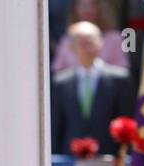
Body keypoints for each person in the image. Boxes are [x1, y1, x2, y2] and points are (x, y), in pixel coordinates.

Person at [50, 20, 135, 155]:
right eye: (82, 44)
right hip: (70, 162)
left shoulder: (120, 79)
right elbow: (56, 125)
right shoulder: (61, 83)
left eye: (91, 43)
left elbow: (127, 122)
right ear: (72, 48)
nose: (87, 49)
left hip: (110, 160)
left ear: (100, 43)